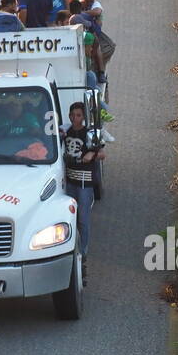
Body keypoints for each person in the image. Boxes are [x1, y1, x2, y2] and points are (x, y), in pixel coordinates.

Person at [63, 102, 104, 260]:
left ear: (84, 117)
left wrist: (91, 155)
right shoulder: (65, 131)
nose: (75, 118)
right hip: (69, 181)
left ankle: (83, 251)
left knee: (83, 218)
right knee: (68, 219)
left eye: (78, 115)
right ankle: (70, 251)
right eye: (72, 114)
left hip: (84, 184)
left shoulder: (89, 134)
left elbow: (102, 154)